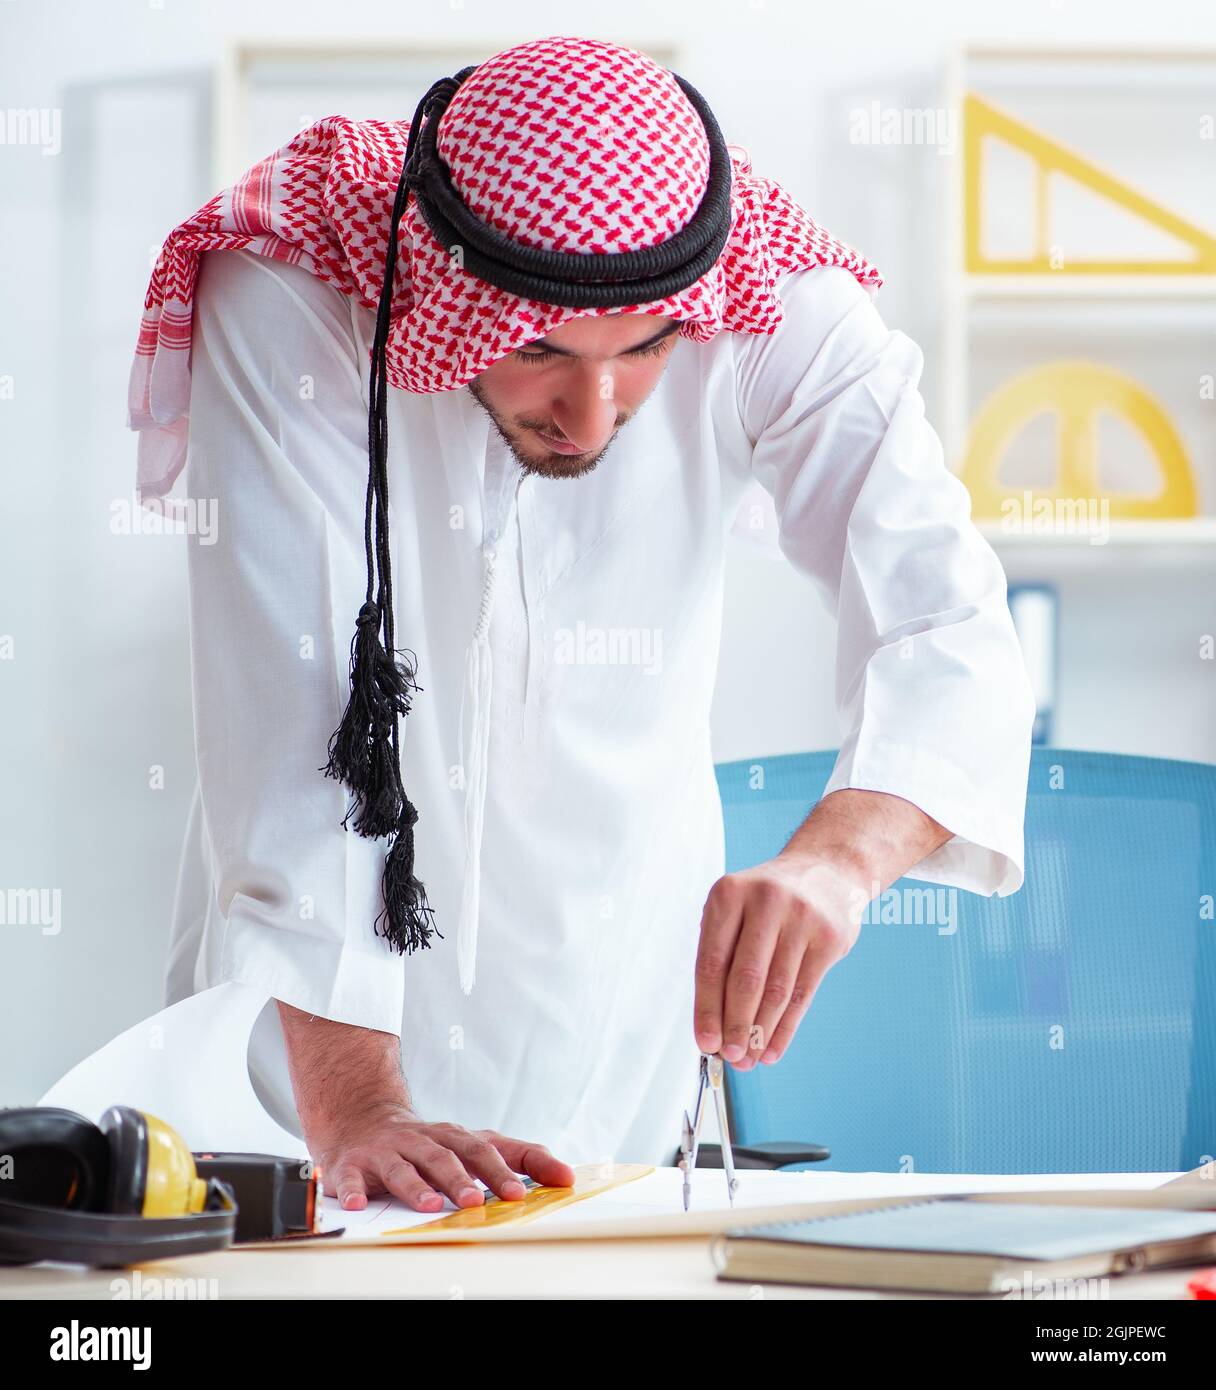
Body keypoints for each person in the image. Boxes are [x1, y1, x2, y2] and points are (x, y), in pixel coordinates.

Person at [129, 36, 1035, 1214]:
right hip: (301, 1070)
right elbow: (295, 710)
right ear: (446, 290)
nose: (590, 415)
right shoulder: (296, 297)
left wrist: (837, 858)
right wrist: (360, 1106)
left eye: (646, 349)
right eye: (539, 349)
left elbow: (948, 617)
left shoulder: (773, 299)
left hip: (611, 1017)